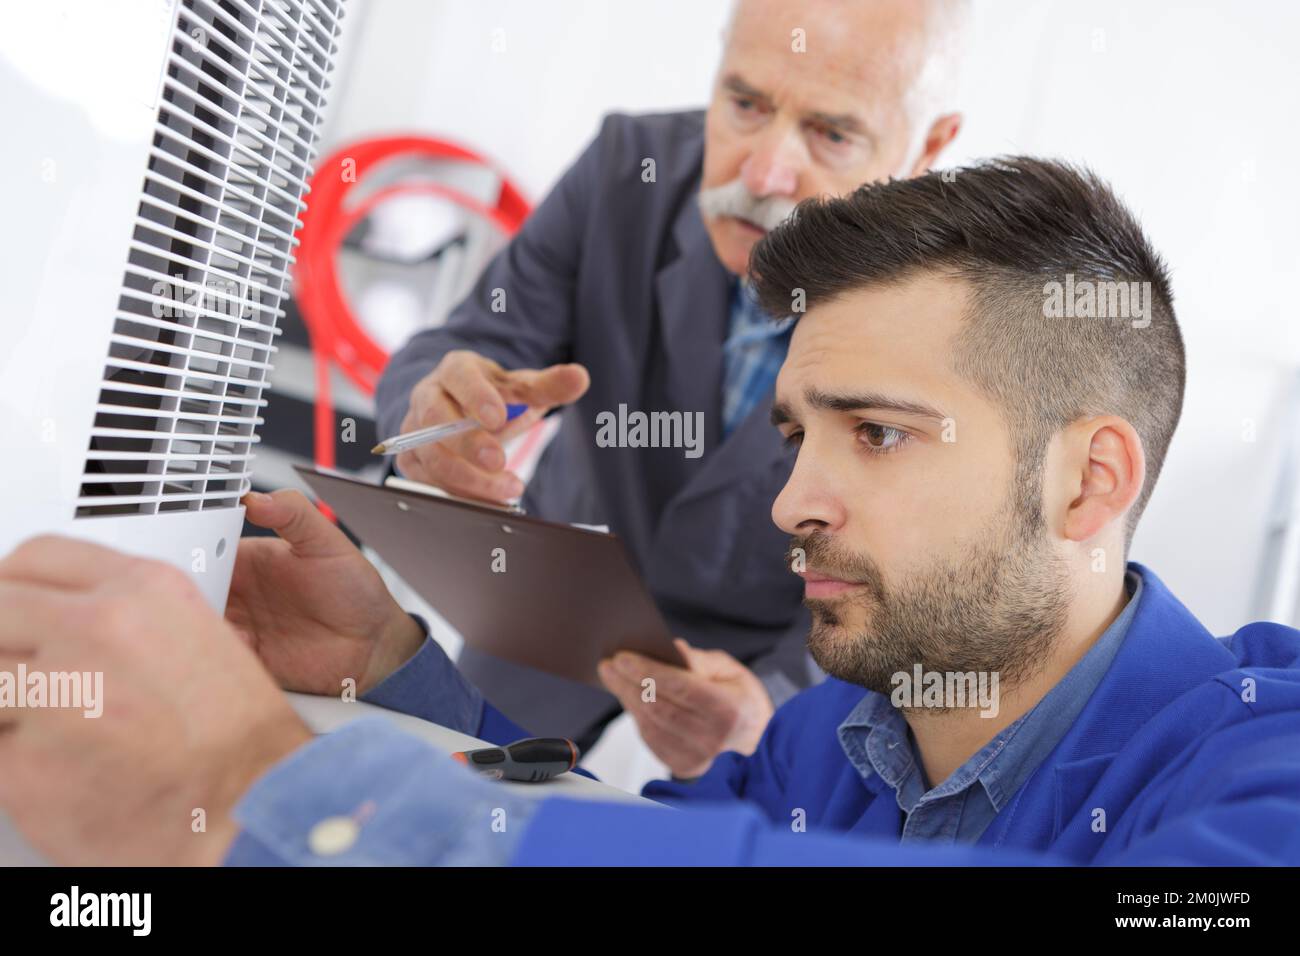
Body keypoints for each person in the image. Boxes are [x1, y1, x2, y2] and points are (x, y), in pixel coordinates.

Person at [5, 157, 1299, 867]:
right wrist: (388, 669)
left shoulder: (1266, 757)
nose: (794, 499)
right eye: (798, 435)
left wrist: (266, 782)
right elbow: (579, 839)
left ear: (1090, 478)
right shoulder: (830, 748)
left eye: (879, 433)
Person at [370, 0, 969, 768]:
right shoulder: (626, 167)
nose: (763, 175)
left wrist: (780, 715)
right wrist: (436, 408)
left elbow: (908, 585)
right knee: (455, 798)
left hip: (782, 642)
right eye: (745, 104)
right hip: (565, 590)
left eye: (832, 133)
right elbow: (467, 344)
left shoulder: (954, 311)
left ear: (930, 145)